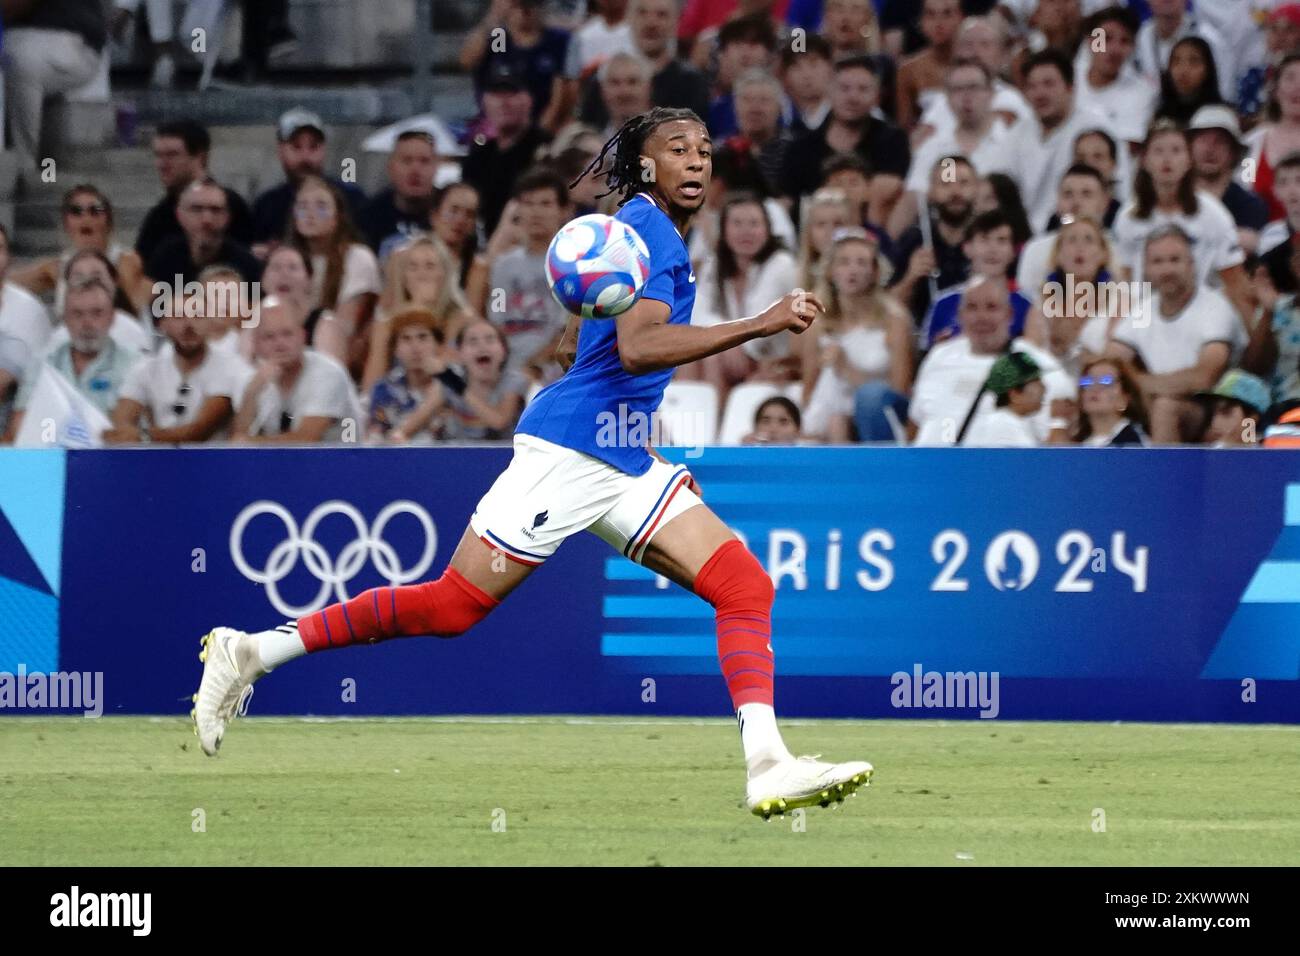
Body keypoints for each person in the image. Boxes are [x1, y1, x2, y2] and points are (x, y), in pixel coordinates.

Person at [192, 106, 873, 820]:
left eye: (704, 149)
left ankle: (768, 764)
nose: (697, 160)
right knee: (453, 605)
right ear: (645, 166)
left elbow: (594, 353)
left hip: (616, 453)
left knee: (743, 585)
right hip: (573, 453)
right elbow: (640, 349)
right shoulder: (646, 234)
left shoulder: (634, 233)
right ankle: (251, 652)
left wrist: (644, 450)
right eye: (678, 149)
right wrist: (760, 323)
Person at [1105, 226, 1236, 442]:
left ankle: (1162, 475)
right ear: (1146, 269)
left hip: (1212, 410)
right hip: (1155, 402)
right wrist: (1137, 385)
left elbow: (1204, 378)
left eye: (1175, 260)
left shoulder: (1214, 307)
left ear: (1191, 265)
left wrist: (1137, 382)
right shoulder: (1143, 310)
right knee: (1103, 393)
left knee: (1165, 407)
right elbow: (1109, 364)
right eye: (1158, 262)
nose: (1166, 270)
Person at [801, 228, 912, 442]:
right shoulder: (818, 325)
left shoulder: (894, 322)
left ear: (875, 272)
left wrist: (846, 369)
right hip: (828, 419)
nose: (853, 270)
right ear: (830, 271)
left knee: (851, 412)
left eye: (861, 263)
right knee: (834, 421)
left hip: (876, 422)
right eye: (844, 262)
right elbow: (809, 392)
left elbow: (899, 392)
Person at [104, 290, 251, 444]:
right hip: (159, 460)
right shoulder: (146, 369)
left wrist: (142, 435)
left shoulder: (230, 368)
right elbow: (121, 421)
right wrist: (125, 433)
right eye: (179, 316)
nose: (188, 325)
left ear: (210, 322)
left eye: (198, 316)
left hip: (212, 462)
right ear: (162, 324)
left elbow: (198, 432)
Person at [4, 277, 140, 443]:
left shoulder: (135, 366)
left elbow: (136, 432)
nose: (87, 323)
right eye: (77, 314)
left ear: (112, 318)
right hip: (52, 458)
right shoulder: (42, 364)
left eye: (97, 313)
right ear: (65, 320)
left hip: (113, 460)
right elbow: (21, 427)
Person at [1, 0, 104, 187]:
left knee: (20, 61)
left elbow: (13, 5)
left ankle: (22, 172)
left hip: (69, 39)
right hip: (33, 42)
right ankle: (47, 174)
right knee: (26, 70)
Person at [229, 299, 361, 444]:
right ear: (256, 344)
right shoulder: (258, 378)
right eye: (269, 337)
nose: (279, 344)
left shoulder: (327, 373)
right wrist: (251, 393)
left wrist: (251, 443)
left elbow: (305, 439)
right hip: (287, 464)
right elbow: (238, 438)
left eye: (287, 334)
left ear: (302, 336)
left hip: (341, 463)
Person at [11, 185, 145, 320]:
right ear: (66, 224)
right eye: (76, 211)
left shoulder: (128, 262)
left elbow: (136, 310)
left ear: (108, 222)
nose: (85, 217)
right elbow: (7, 285)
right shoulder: (56, 268)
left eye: (95, 210)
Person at [135, 121, 254, 263]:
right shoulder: (159, 216)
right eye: (158, 155)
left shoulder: (232, 205)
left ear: (200, 157)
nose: (162, 164)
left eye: (172, 155)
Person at [250, 109, 368, 247]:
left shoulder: (351, 199)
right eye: (296, 147)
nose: (305, 157)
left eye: (313, 146)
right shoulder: (267, 206)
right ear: (281, 150)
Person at [357, 130, 441, 259]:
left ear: (436, 167)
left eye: (424, 161)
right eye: (407, 161)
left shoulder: (449, 211)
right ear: (391, 168)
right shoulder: (368, 216)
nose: (415, 170)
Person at [962, 352, 1044, 447]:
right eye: (1037, 382)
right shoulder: (1003, 427)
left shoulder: (1009, 422)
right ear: (1015, 395)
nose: (1044, 388)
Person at [1073, 358, 1150, 446]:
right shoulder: (1078, 444)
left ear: (1124, 399)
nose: (1094, 388)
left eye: (1106, 381)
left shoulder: (1135, 443)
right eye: (1088, 381)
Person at [1195, 368, 1270, 446]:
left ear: (1252, 419)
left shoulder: (1271, 456)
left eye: (1226, 412)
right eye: (1208, 412)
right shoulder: (1188, 453)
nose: (1213, 422)